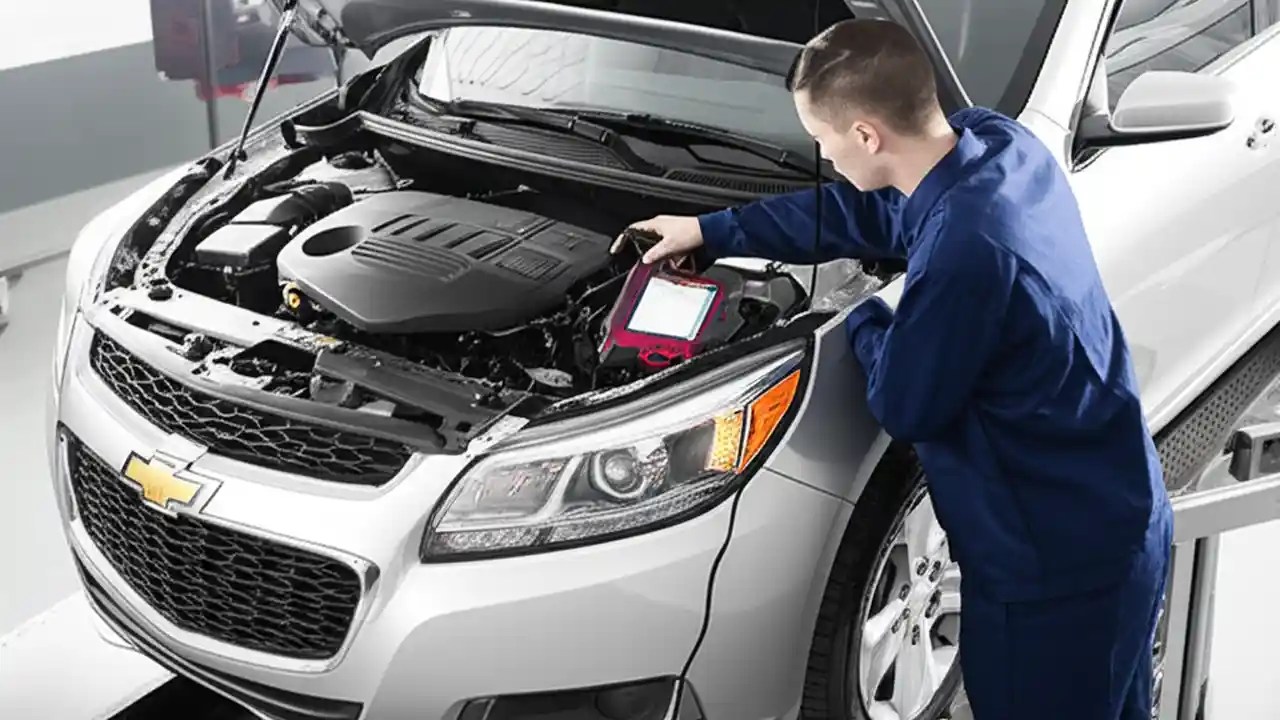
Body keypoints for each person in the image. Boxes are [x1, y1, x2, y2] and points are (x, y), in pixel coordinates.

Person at [614, 18, 1174, 720]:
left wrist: (869, 317)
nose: (821, 153)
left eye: (821, 140)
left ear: (867, 137)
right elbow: (873, 211)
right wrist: (713, 230)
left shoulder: (966, 255)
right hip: (1121, 517)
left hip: (1051, 574)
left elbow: (907, 404)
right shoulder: (997, 147)